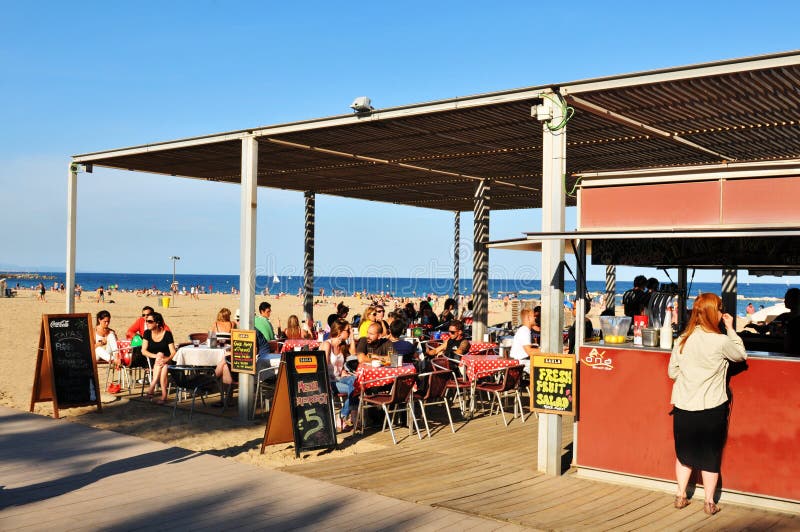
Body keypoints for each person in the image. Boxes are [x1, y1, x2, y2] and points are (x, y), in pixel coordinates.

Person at [668, 293, 747, 516]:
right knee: (710, 455)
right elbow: (741, 355)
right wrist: (731, 328)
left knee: (684, 453)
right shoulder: (721, 341)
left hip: (684, 404)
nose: (722, 313)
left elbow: (672, 371)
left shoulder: (683, 339)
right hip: (712, 406)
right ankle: (709, 502)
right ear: (716, 313)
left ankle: (681, 495)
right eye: (720, 309)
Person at [322, 319, 356, 432]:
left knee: (356, 381)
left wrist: (351, 337)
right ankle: (346, 416)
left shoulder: (341, 346)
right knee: (355, 388)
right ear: (339, 331)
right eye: (347, 330)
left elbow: (353, 353)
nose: (349, 332)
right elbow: (324, 368)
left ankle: (343, 415)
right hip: (328, 381)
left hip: (339, 379)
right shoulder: (327, 345)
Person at [143, 312, 177, 405]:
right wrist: (156, 356)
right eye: (146, 321)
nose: (147, 323)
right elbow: (143, 351)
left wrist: (167, 359)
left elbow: (173, 352)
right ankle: (164, 396)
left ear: (157, 323)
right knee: (162, 361)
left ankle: (152, 387)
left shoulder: (167, 334)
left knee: (163, 360)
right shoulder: (147, 333)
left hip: (167, 359)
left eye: (150, 321)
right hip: (153, 360)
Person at [509, 308, 538, 373]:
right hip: (522, 363)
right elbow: (529, 351)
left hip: (521, 362)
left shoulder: (523, 330)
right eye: (534, 316)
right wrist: (546, 350)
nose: (535, 318)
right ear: (528, 318)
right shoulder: (524, 331)